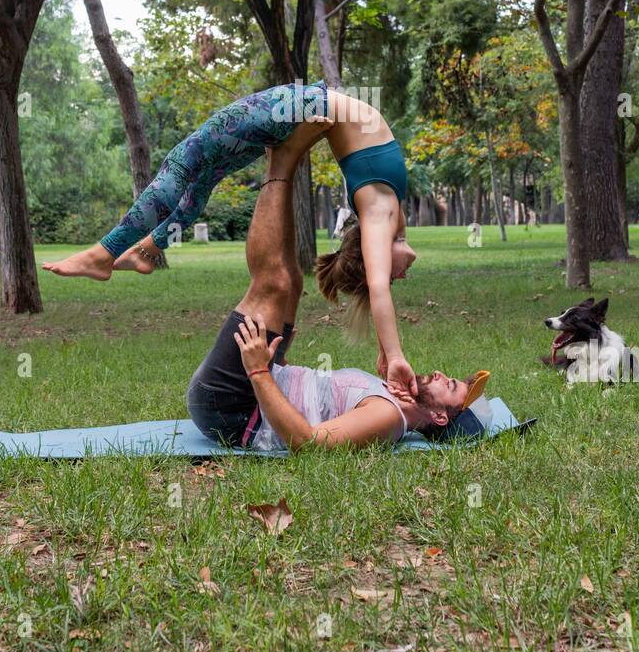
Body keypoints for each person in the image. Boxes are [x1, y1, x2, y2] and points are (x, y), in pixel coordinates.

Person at [42, 79, 419, 391]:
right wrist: (388, 353)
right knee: (200, 176)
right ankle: (146, 249)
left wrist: (397, 354)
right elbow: (379, 285)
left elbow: (378, 287)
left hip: (293, 106)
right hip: (297, 107)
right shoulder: (392, 210)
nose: (398, 275)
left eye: (389, 273)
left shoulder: (379, 212)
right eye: (395, 274)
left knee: (187, 164)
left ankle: (106, 254)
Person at [185, 130, 489, 451]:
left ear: (441, 417)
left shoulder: (388, 416)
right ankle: (284, 161)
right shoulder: (393, 396)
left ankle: (282, 162)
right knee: (292, 281)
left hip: (233, 405)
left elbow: (309, 444)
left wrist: (260, 371)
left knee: (274, 284)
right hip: (259, 382)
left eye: (450, 384)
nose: (442, 373)